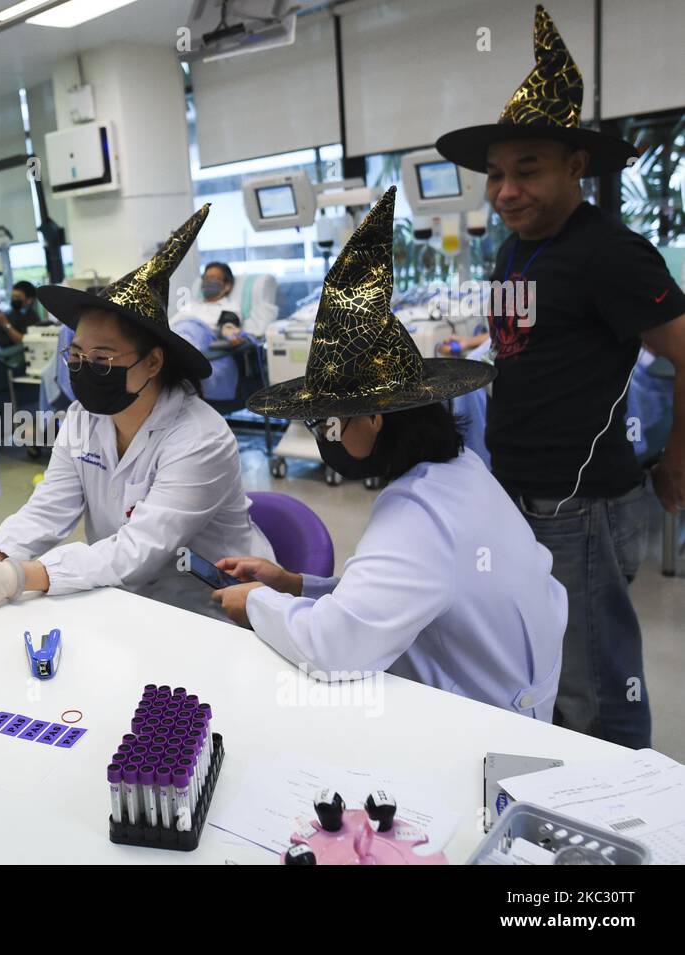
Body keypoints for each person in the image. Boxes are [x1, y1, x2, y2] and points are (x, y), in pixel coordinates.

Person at [215, 187, 566, 721]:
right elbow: (391, 591)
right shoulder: (458, 470)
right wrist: (294, 585)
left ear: (375, 419)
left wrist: (257, 603)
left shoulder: (417, 516)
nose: (323, 437)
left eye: (327, 422)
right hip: (510, 687)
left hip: (483, 724)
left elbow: (334, 650)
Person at [436, 4, 685, 747]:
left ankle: (625, 811)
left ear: (577, 166)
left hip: (583, 501)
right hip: (517, 488)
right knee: (542, 650)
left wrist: (677, 457)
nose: (506, 191)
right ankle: (569, 784)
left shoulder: (611, 253)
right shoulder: (515, 250)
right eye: (496, 174)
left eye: (528, 171)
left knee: (599, 674)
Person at [0, 205, 274, 618]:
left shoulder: (200, 438)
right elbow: (49, 508)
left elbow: (137, 550)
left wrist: (17, 577)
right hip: (123, 597)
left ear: (154, 362)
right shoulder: (83, 418)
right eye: (76, 356)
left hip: (211, 608)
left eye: (103, 360)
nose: (85, 369)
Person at [0, 279, 39, 349]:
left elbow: (24, 342)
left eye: (18, 297)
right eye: (13, 297)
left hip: (0, 349)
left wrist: (5, 324)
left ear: (29, 300)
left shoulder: (31, 318)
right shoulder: (13, 312)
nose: (14, 299)